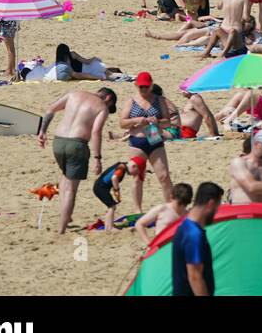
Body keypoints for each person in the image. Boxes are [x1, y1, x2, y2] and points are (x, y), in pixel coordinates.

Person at [37, 87, 118, 233]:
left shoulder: (73, 94)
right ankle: (61, 229)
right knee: (70, 190)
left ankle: (66, 217)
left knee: (65, 179)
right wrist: (97, 158)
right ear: (108, 99)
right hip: (77, 145)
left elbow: (50, 110)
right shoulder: (102, 107)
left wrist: (42, 132)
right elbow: (96, 132)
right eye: (110, 106)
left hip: (58, 142)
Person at [120, 72, 175, 208]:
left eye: (146, 86)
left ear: (151, 85)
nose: (144, 89)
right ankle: (138, 210)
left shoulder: (159, 100)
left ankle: (171, 207)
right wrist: (136, 120)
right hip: (137, 142)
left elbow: (168, 122)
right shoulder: (131, 101)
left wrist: (157, 121)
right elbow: (122, 123)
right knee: (138, 177)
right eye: (141, 87)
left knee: (164, 176)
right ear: (136, 85)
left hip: (154, 137)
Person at [172, 182, 223, 296]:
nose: (216, 212)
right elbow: (195, 277)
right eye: (217, 207)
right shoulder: (193, 234)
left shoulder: (184, 226)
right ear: (210, 204)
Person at [93, 155, 148, 231]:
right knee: (112, 207)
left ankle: (108, 224)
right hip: (100, 188)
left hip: (101, 187)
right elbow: (114, 178)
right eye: (136, 172)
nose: (134, 175)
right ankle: (109, 227)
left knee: (111, 206)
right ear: (134, 166)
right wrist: (117, 190)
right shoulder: (121, 168)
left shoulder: (121, 165)